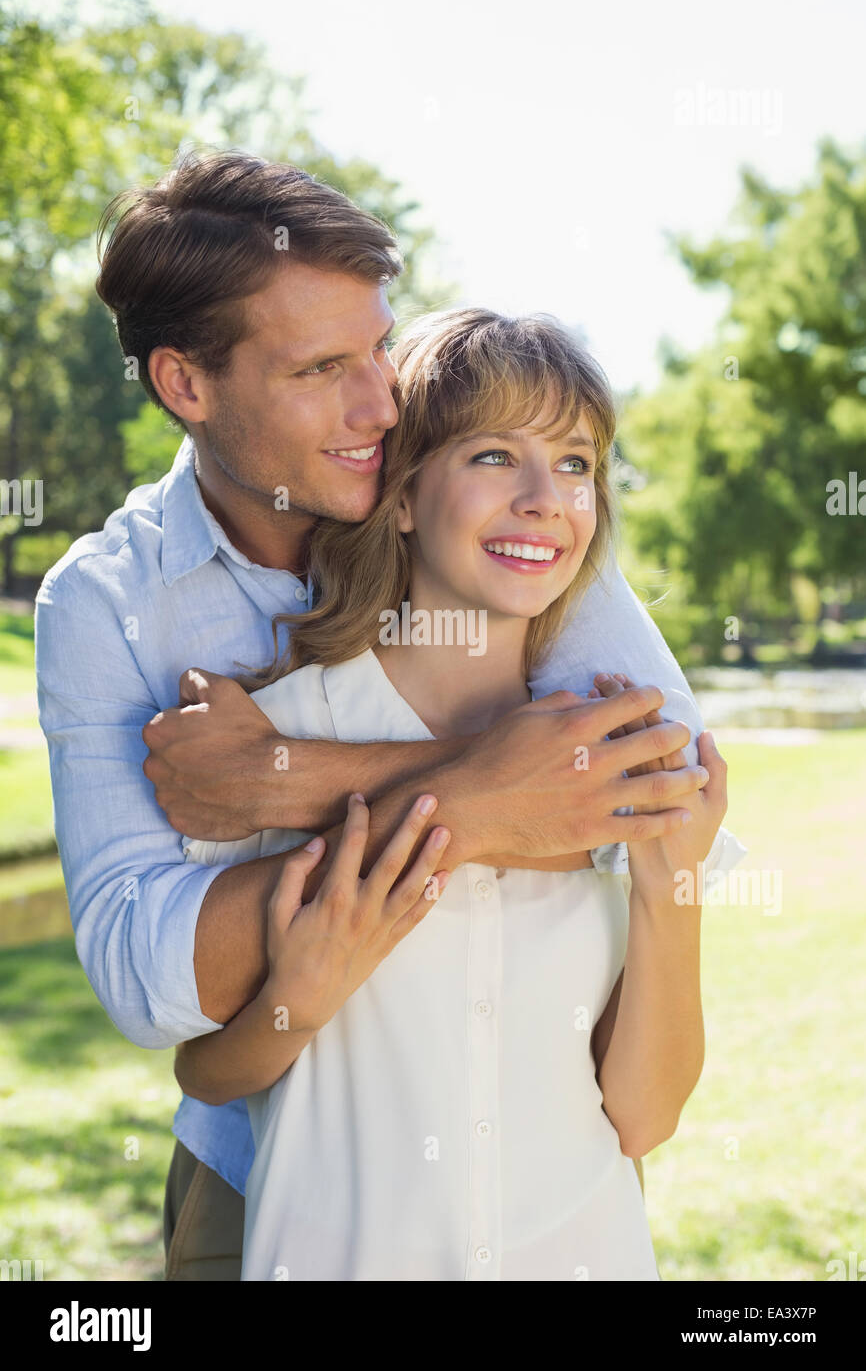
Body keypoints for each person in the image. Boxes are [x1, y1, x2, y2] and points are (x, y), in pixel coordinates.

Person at [34, 150, 734, 1282]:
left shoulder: (517, 530)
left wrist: (286, 777)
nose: (380, 403)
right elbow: (146, 973)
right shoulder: (109, 601)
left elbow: (648, 795)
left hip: (547, 1192)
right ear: (186, 385)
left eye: (378, 346)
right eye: (322, 368)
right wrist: (485, 795)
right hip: (267, 1178)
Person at [176, 306, 746, 1281]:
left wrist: (669, 888)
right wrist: (298, 1002)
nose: (544, 499)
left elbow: (643, 1116)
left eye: (574, 464)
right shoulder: (278, 740)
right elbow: (206, 1073)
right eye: (493, 456)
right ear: (399, 497)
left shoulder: (625, 759)